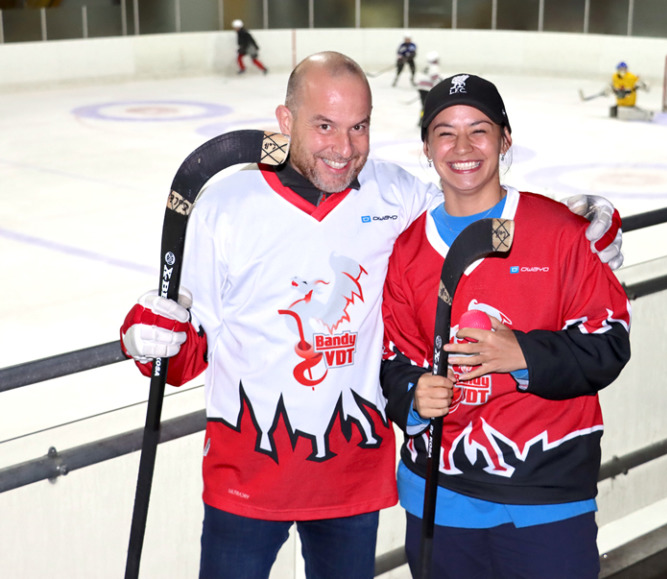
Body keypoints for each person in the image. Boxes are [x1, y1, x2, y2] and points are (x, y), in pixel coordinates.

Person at [119, 53, 624, 579]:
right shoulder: (226, 205)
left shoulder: (396, 194)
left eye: (358, 127)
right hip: (248, 476)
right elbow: (186, 344)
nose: (344, 148)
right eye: (324, 126)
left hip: (351, 475)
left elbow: (474, 207)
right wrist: (149, 337)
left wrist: (579, 227)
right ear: (286, 120)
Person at [380, 74, 632, 578]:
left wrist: (523, 355)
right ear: (426, 148)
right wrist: (413, 395)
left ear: (505, 139)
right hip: (438, 494)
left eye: (479, 130)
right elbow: (394, 359)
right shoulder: (408, 249)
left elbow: (608, 345)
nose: (463, 147)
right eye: (445, 133)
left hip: (547, 498)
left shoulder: (560, 232)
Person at [416, 51, 442, 126]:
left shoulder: (426, 66)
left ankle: (421, 120)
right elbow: (434, 77)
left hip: (421, 88)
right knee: (429, 106)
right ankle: (425, 121)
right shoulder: (435, 67)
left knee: (424, 106)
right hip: (428, 89)